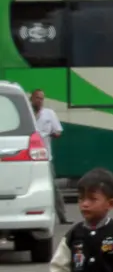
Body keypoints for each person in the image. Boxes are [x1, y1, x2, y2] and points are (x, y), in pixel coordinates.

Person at [30, 88, 68, 225]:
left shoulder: (49, 113)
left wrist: (47, 134)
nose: (39, 101)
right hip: (27, 157)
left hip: (45, 157)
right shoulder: (26, 112)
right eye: (37, 98)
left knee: (53, 187)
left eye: (41, 98)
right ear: (31, 98)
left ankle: (62, 216)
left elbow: (58, 131)